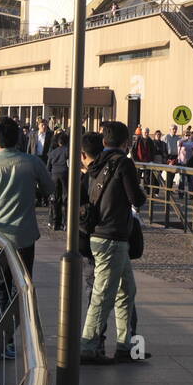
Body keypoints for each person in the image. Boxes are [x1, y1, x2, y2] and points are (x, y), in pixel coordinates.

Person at [0, 117, 55, 357]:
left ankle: (5, 338)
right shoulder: (31, 162)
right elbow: (49, 188)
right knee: (24, 285)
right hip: (25, 235)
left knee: (1, 286)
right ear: (18, 138)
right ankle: (23, 335)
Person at [80, 120, 146, 364]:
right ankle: (87, 346)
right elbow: (135, 198)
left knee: (126, 290)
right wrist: (143, 195)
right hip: (112, 237)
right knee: (103, 294)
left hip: (101, 235)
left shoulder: (96, 162)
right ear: (125, 142)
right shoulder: (123, 163)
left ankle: (125, 344)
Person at [48, 131, 70, 230]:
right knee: (66, 198)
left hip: (54, 174)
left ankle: (55, 222)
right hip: (65, 174)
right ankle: (65, 222)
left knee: (55, 199)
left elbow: (48, 166)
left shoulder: (53, 152)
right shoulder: (68, 150)